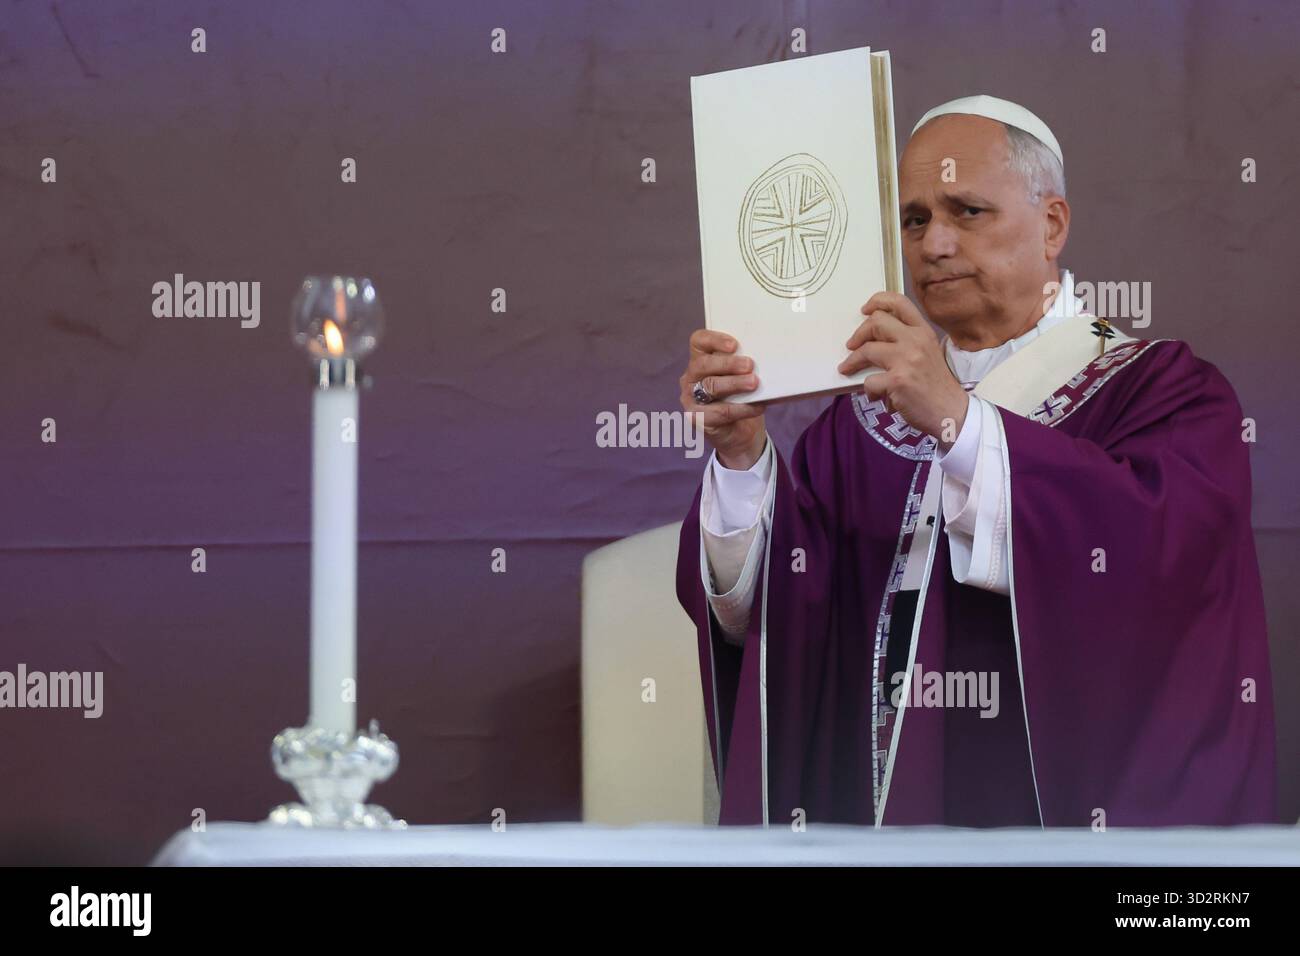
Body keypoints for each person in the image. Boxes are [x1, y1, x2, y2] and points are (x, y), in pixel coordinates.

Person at [675, 95, 1276, 827]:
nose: (934, 245)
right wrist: (741, 460)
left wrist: (958, 423)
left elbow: (1160, 575)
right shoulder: (858, 426)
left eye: (967, 211)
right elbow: (780, 630)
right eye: (916, 218)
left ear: (1052, 224)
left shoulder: (1166, 392)